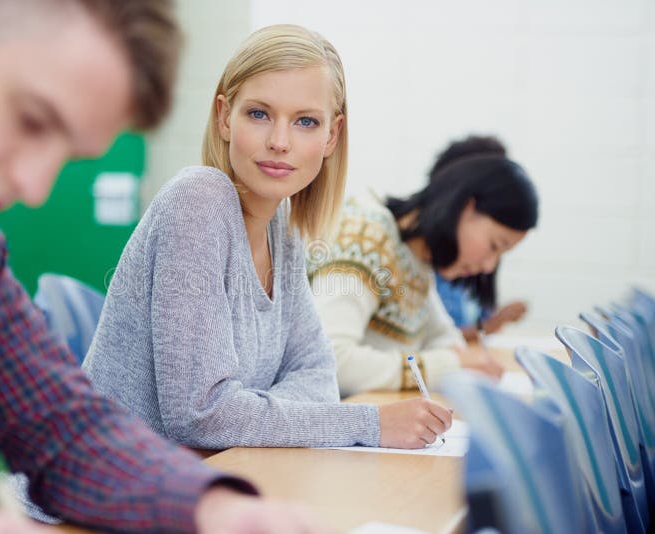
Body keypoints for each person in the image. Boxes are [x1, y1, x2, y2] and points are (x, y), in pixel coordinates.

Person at [0, 1, 330, 532]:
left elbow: (60, 425)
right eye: (31, 119)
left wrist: (214, 507)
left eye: (66, 155)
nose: (33, 188)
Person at [84, 24, 453, 451]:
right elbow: (203, 416)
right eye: (259, 114)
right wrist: (367, 424)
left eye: (305, 121)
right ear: (224, 117)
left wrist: (245, 414)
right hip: (90, 500)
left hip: (200, 484)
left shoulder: (283, 225)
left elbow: (318, 378)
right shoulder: (198, 201)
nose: (279, 142)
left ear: (331, 136)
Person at [308, 139, 539, 397]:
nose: (488, 266)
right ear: (466, 208)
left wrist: (453, 361)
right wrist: (446, 365)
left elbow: (446, 341)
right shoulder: (366, 236)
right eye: (495, 245)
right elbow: (330, 362)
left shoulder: (414, 258)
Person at [430, 136, 528, 342]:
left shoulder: (477, 259)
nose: (489, 265)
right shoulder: (428, 259)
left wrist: (494, 321)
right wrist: (491, 324)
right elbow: (434, 339)